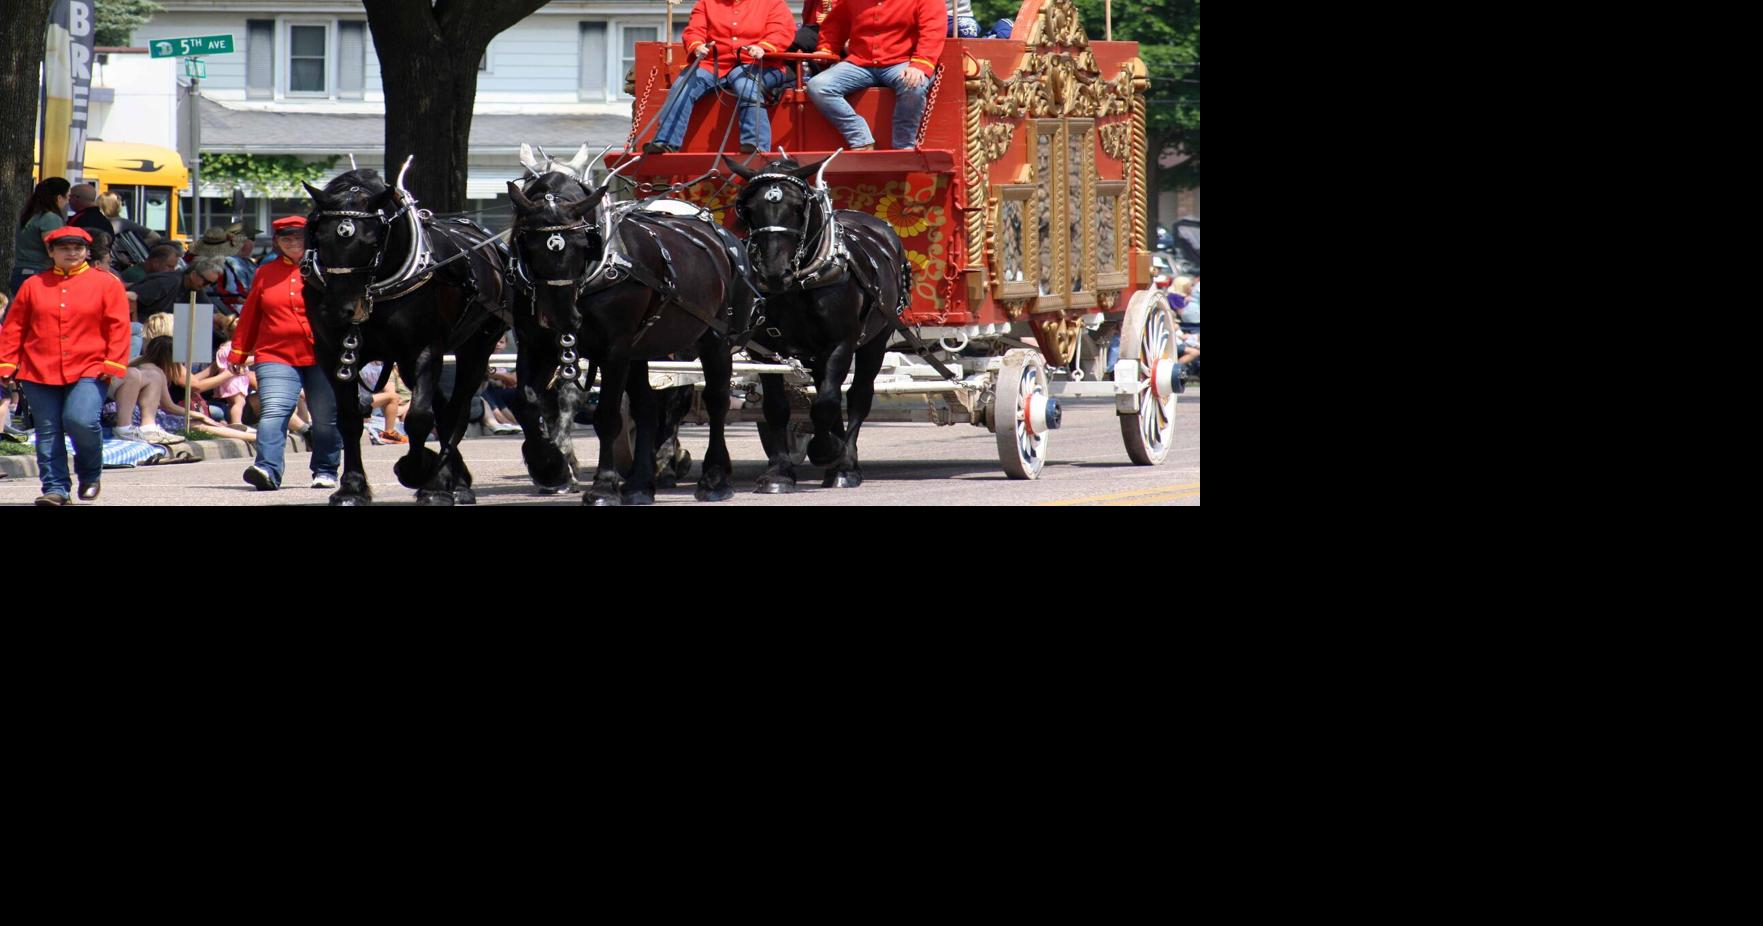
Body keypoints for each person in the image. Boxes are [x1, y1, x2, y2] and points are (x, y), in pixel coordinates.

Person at [0, 226, 130, 505]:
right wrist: (7, 365)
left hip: (90, 365)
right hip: (39, 367)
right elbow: (14, 327)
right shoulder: (34, 285)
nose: (72, 253)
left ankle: (90, 473)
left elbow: (119, 326)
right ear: (51, 252)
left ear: (86, 251)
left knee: (80, 420)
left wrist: (113, 362)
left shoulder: (106, 283)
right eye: (64, 248)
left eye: (78, 248)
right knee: (48, 430)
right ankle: (56, 488)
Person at [228, 216, 341, 491]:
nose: (293, 243)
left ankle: (325, 469)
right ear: (277, 242)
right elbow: (251, 314)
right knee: (275, 411)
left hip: (322, 354)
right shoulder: (265, 273)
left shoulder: (329, 269)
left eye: (298, 237)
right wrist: (238, 352)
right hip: (275, 354)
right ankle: (267, 469)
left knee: (325, 417)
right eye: (286, 238)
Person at [643, 0, 798, 156]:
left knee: (747, 85)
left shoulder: (772, 3)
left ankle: (755, 145)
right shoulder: (706, 3)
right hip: (714, 63)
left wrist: (764, 46)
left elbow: (781, 30)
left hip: (758, 63)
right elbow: (694, 30)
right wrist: (696, 45)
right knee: (683, 86)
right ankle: (665, 143)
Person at [807, 0, 945, 151]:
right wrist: (826, 48)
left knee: (914, 84)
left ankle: (903, 147)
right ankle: (861, 139)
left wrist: (920, 64)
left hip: (903, 62)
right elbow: (836, 23)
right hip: (860, 63)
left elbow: (933, 31)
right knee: (818, 86)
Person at [11, 177, 70, 296]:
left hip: (20, 272)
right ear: (59, 198)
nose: (68, 201)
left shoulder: (29, 216)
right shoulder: (50, 218)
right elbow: (53, 250)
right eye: (67, 196)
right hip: (38, 274)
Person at [129, 252, 224, 320]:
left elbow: (213, 312)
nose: (207, 287)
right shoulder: (166, 283)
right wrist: (136, 324)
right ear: (193, 275)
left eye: (212, 284)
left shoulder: (196, 289)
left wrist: (225, 321)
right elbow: (130, 298)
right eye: (206, 282)